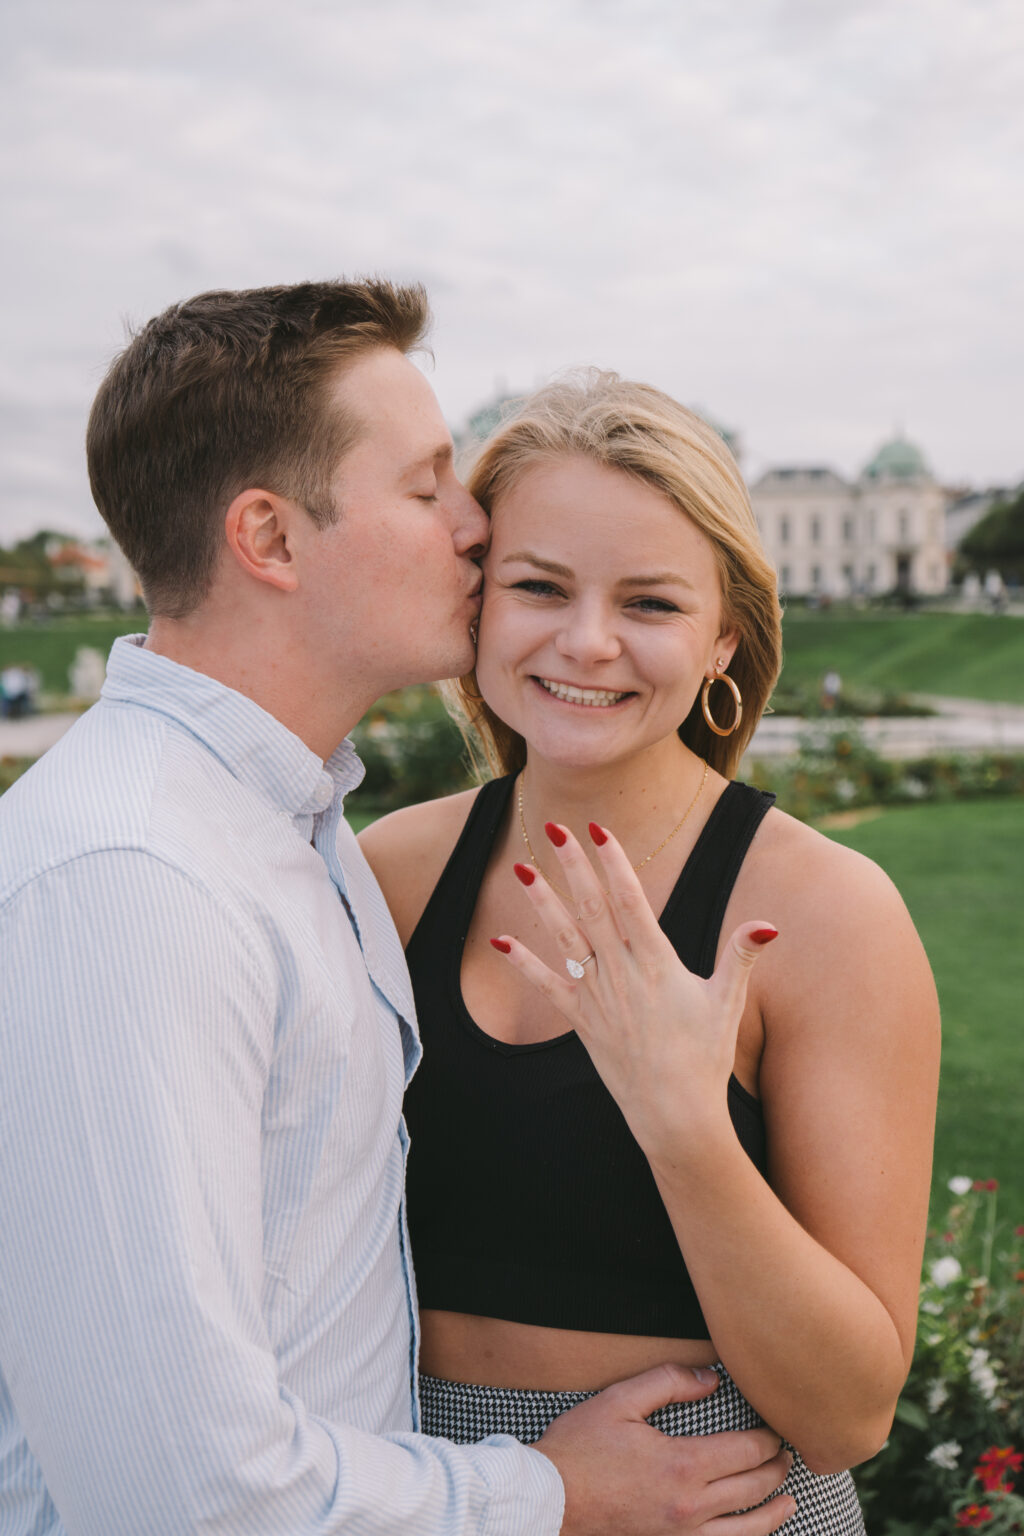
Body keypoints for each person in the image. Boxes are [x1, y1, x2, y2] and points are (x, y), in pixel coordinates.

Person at [0, 284, 797, 1536]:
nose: (477, 525)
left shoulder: (294, 834)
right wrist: (542, 1493)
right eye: (429, 489)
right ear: (268, 539)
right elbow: (178, 1497)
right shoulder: (132, 880)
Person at [360, 372, 940, 1534]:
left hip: (714, 1502)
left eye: (651, 604)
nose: (588, 642)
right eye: (537, 586)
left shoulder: (827, 916)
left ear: (725, 635)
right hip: (431, 1492)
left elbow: (847, 1417)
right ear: (476, 601)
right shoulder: (392, 873)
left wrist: (685, 1124)